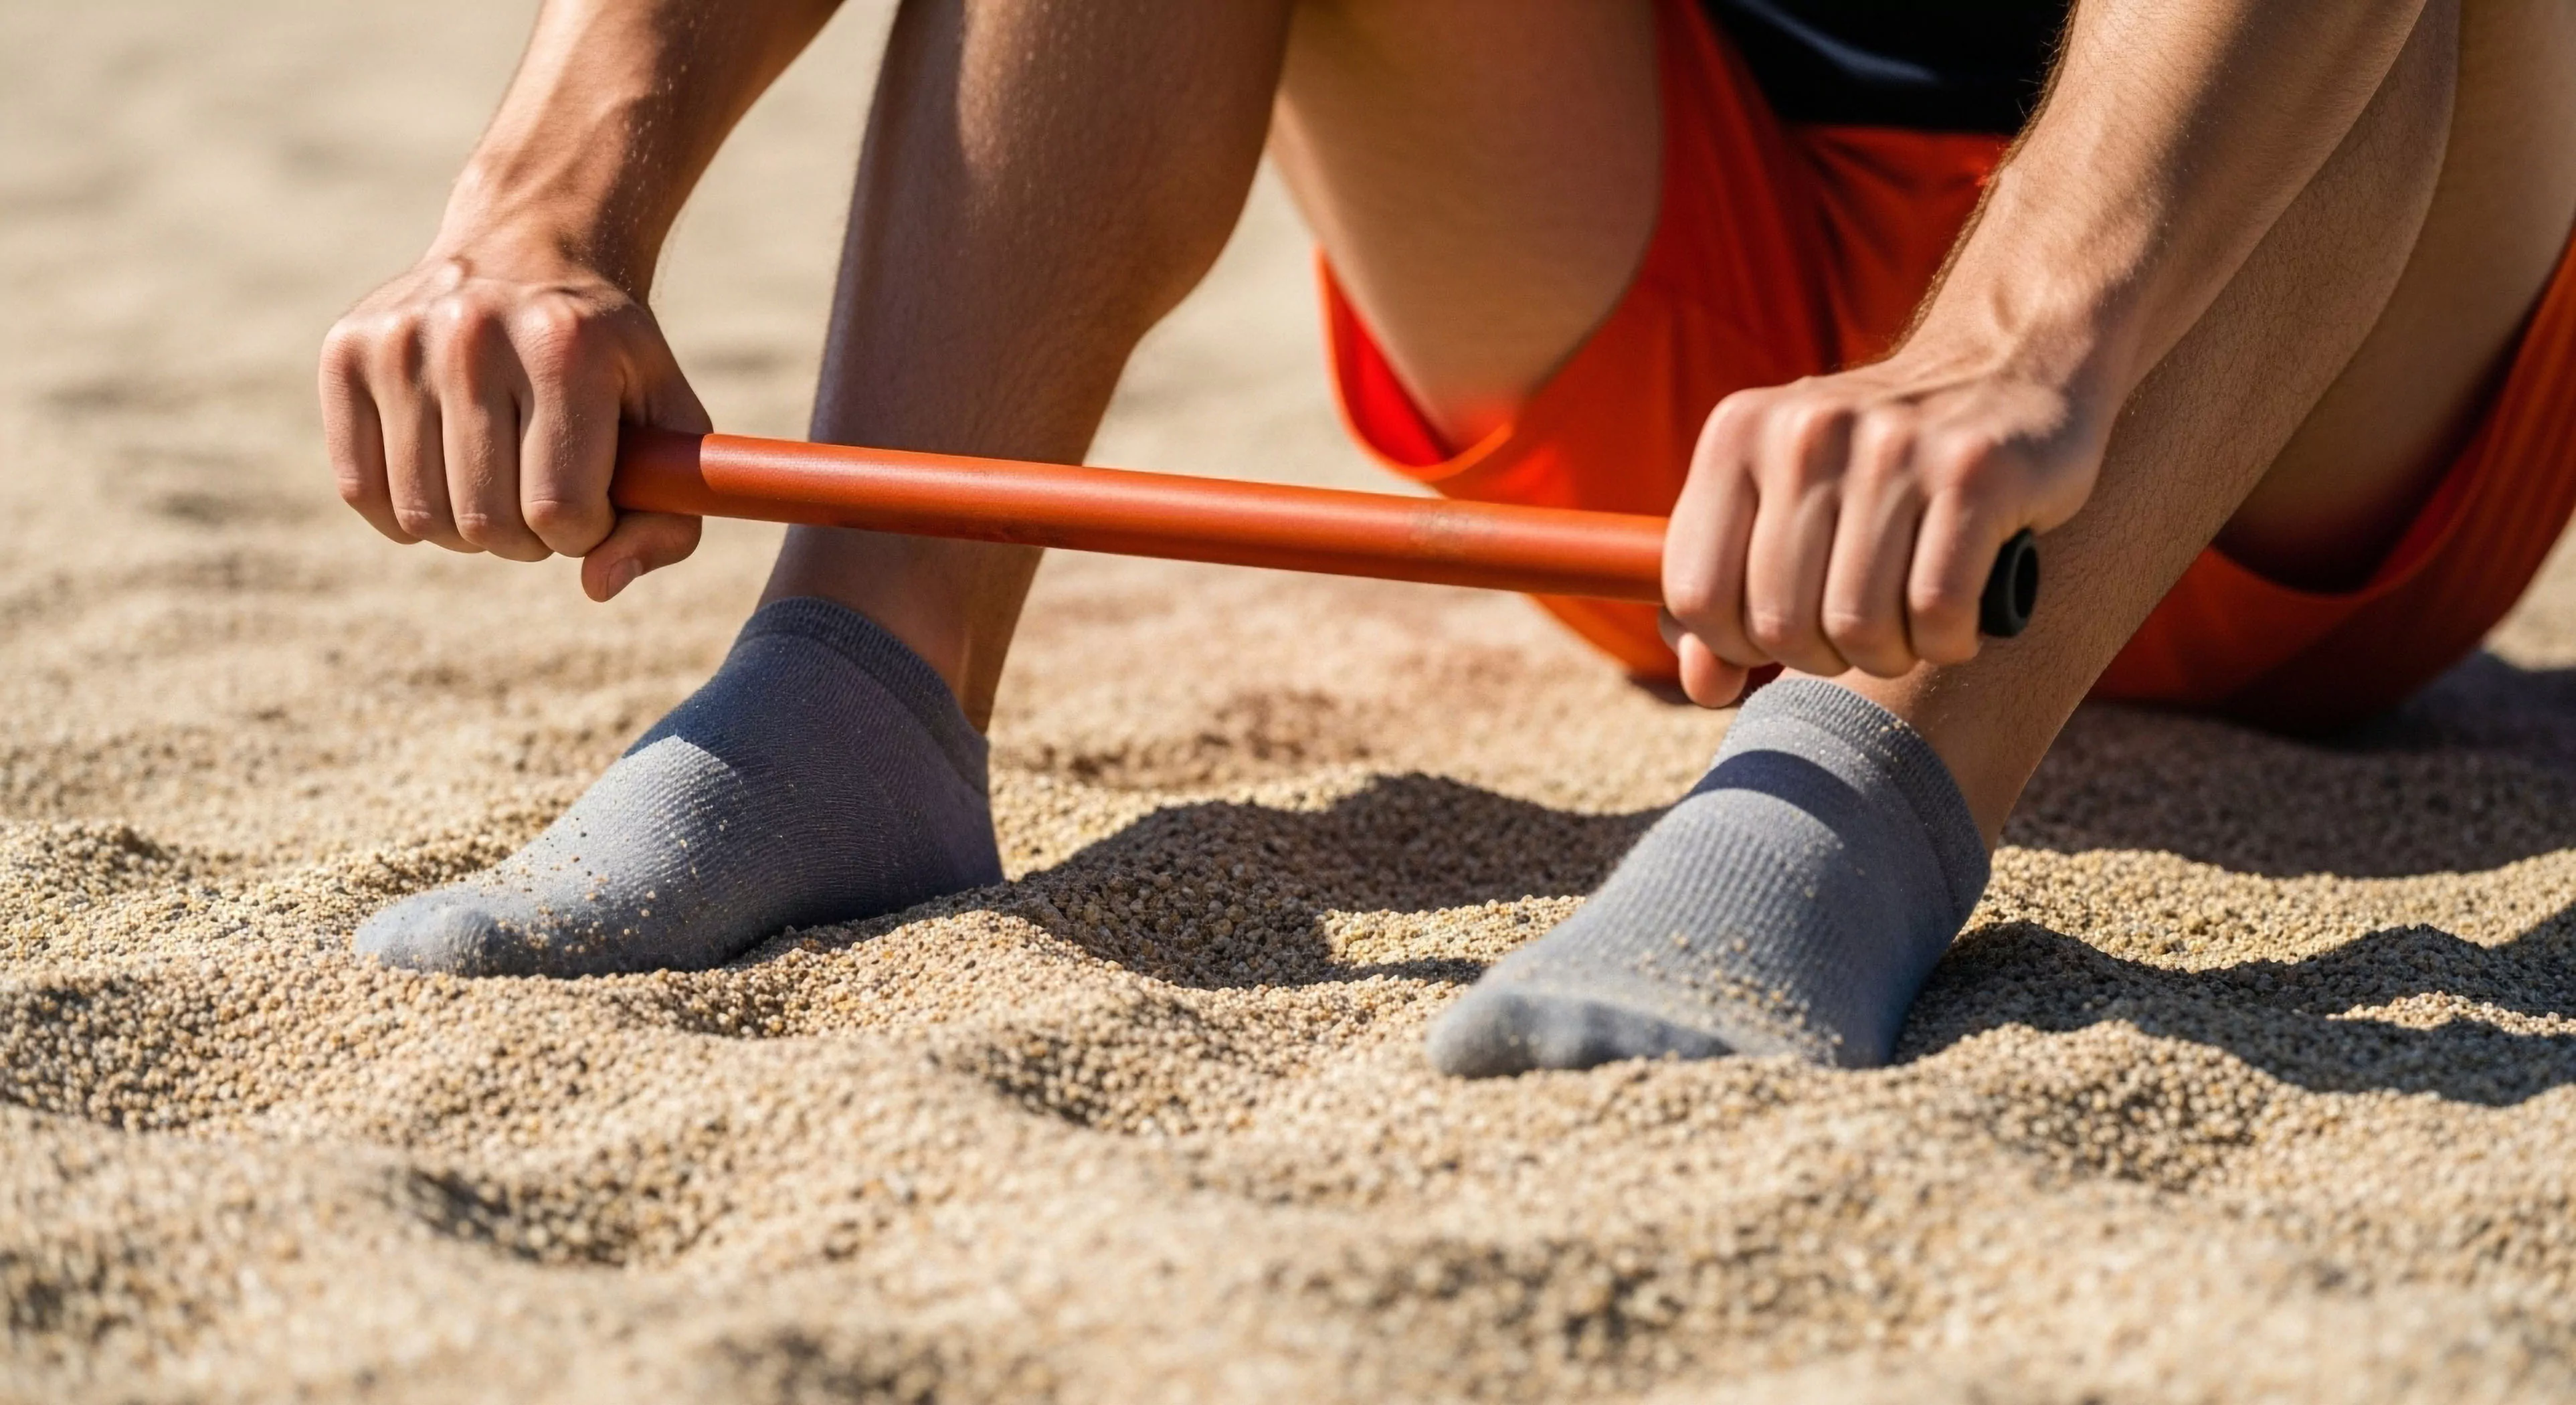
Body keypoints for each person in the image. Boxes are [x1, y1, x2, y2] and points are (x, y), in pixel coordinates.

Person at [319, 0, 2576, 1074]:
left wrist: (2012, 352)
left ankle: (1852, 805)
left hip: (2279, 367)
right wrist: (540, 203)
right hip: (1705, 461)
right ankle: (854, 698)